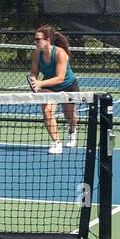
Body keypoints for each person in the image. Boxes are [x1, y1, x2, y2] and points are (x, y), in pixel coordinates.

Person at [29, 24, 80, 154]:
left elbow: (60, 78)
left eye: (38, 39)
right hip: (50, 87)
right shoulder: (36, 54)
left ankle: (72, 130)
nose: (35, 42)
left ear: (47, 40)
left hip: (68, 85)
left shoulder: (60, 54)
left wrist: (40, 84)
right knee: (47, 111)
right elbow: (34, 72)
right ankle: (56, 143)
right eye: (35, 39)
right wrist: (33, 80)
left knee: (70, 116)